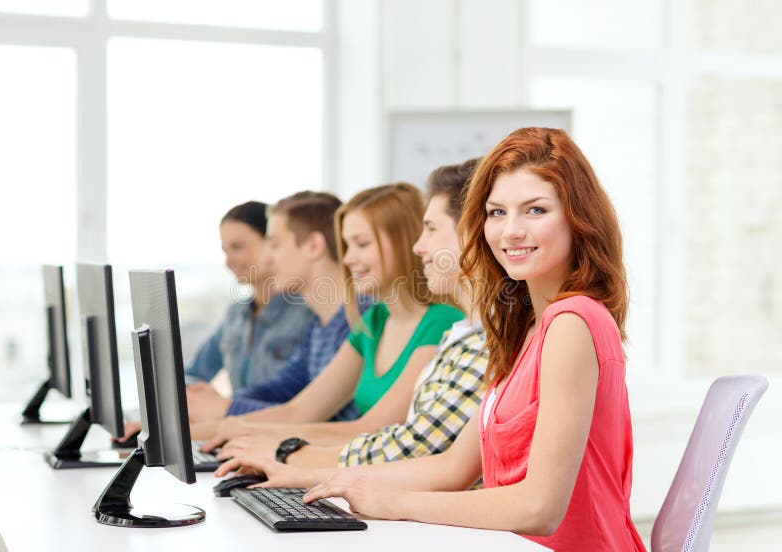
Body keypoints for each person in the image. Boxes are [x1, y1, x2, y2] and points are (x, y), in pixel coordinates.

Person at [215, 128, 645, 551]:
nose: (511, 230)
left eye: (535, 210)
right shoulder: (529, 330)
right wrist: (304, 476)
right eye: (497, 212)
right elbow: (453, 467)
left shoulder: (574, 321)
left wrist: (391, 502)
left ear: (578, 217)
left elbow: (539, 507)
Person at [213, 160, 489, 469]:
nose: (348, 258)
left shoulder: (443, 323)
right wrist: (236, 430)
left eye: (361, 244)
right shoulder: (373, 320)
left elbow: (380, 432)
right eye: (347, 244)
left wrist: (279, 447)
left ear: (400, 242)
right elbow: (301, 409)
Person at [188, 191, 368, 432]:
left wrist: (222, 410)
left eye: (274, 244)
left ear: (314, 246)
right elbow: (281, 389)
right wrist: (218, 407)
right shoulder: (321, 324)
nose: (267, 258)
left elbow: (299, 414)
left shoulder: (361, 320)